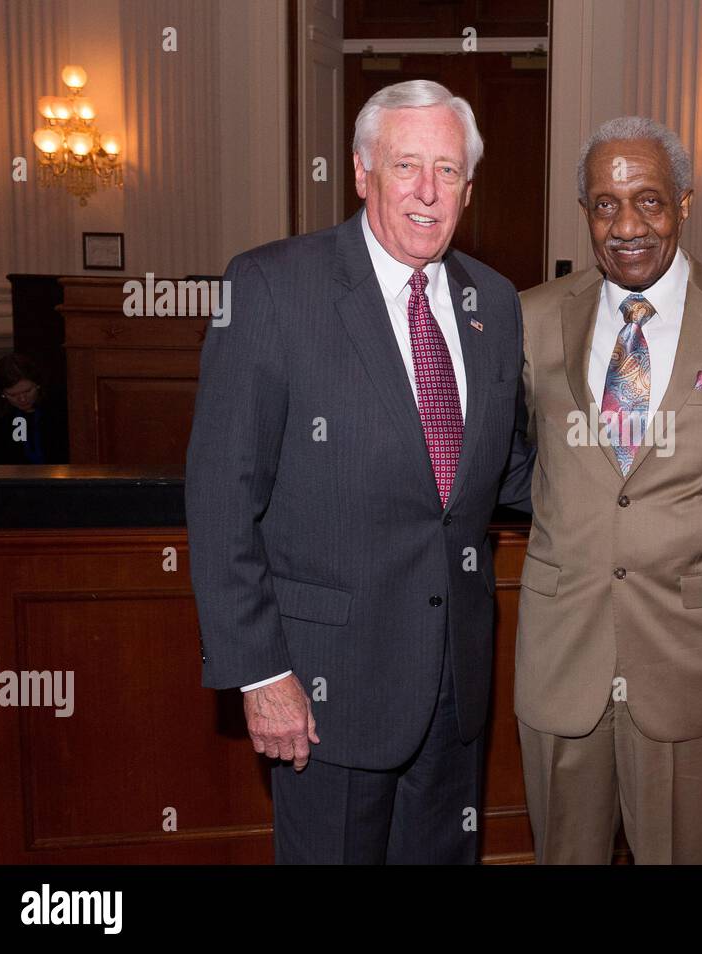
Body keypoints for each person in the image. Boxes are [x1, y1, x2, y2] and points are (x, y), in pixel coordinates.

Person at [186, 79, 533, 864]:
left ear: (468, 188)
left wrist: (630, 461)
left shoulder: (497, 302)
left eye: (448, 171)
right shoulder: (272, 287)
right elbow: (220, 497)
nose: (426, 191)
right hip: (320, 687)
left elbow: (505, 471)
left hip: (453, 688)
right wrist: (260, 673)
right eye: (405, 164)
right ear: (360, 170)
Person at [515, 116, 702, 864]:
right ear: (584, 212)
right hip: (562, 651)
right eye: (604, 205)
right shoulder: (531, 317)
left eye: (648, 201)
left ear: (684, 202)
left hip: (685, 650)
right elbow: (504, 457)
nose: (627, 226)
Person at [0, 353, 68, 464]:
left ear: (38, 384)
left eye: (28, 391)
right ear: (1, 393)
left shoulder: (58, 403)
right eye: (13, 395)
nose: (22, 399)